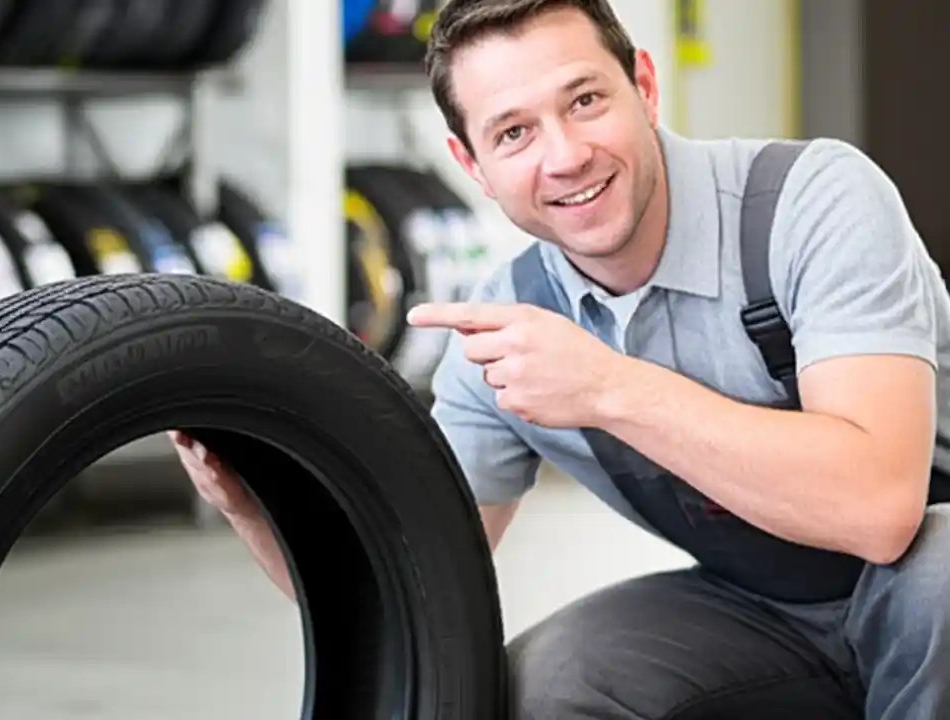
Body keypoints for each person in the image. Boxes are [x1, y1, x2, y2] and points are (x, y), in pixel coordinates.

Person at [171, 0, 950, 717]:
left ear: (644, 85)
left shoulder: (810, 203)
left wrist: (609, 388)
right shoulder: (503, 331)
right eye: (513, 133)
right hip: (767, 612)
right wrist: (254, 501)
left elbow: (879, 512)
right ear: (471, 164)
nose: (567, 155)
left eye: (585, 101)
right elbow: (401, 589)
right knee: (549, 684)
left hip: (922, 578)